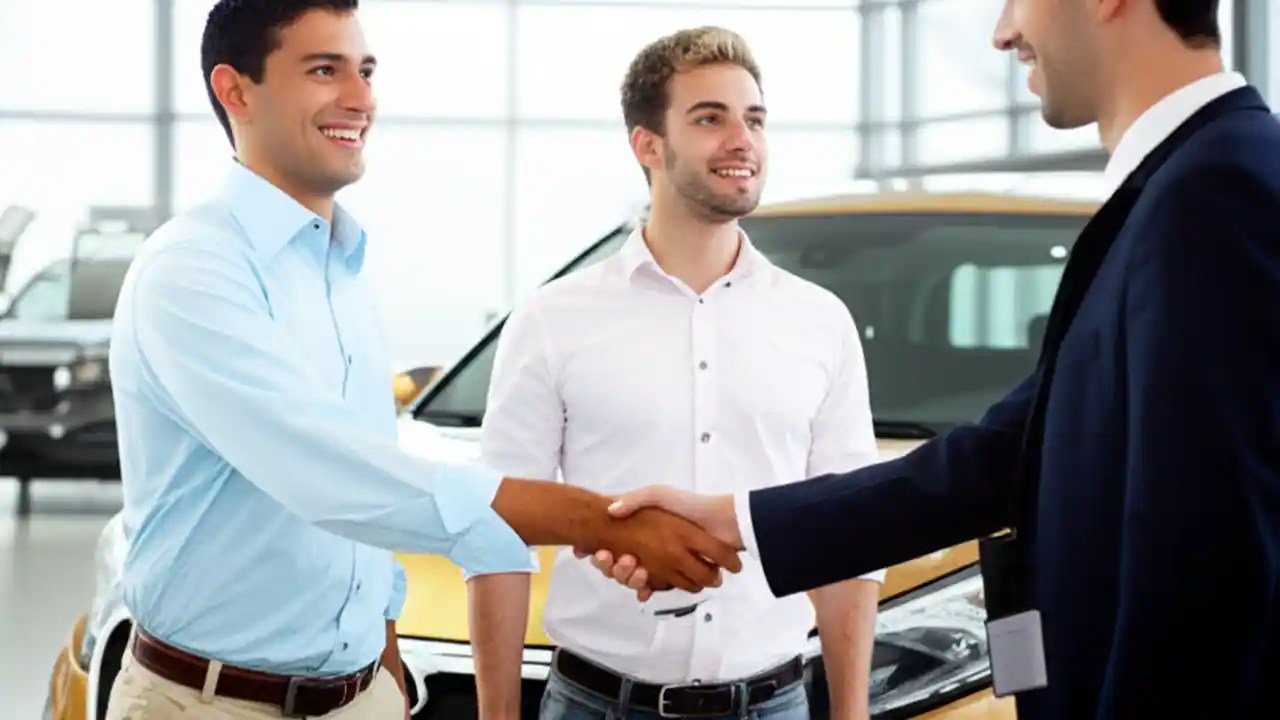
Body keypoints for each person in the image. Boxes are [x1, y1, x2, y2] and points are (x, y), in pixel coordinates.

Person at [591, 1, 1280, 719]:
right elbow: (1002, 456)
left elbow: (1212, 569)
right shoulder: (1177, 190)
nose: (1003, 31)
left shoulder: (1215, 193)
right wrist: (737, 519)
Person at [103, 2, 740, 718]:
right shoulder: (191, 271)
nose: (360, 98)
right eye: (324, 70)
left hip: (361, 695)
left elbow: (367, 489)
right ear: (235, 91)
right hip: (214, 702)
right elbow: (331, 474)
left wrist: (384, 659)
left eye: (366, 71)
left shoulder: (339, 266)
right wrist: (599, 521)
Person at [469, 26, 884, 720]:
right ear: (647, 145)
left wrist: (850, 713)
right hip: (596, 704)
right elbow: (496, 531)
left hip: (773, 702)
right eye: (709, 118)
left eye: (753, 119)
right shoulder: (551, 319)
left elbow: (847, 537)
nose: (741, 140)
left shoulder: (820, 322)